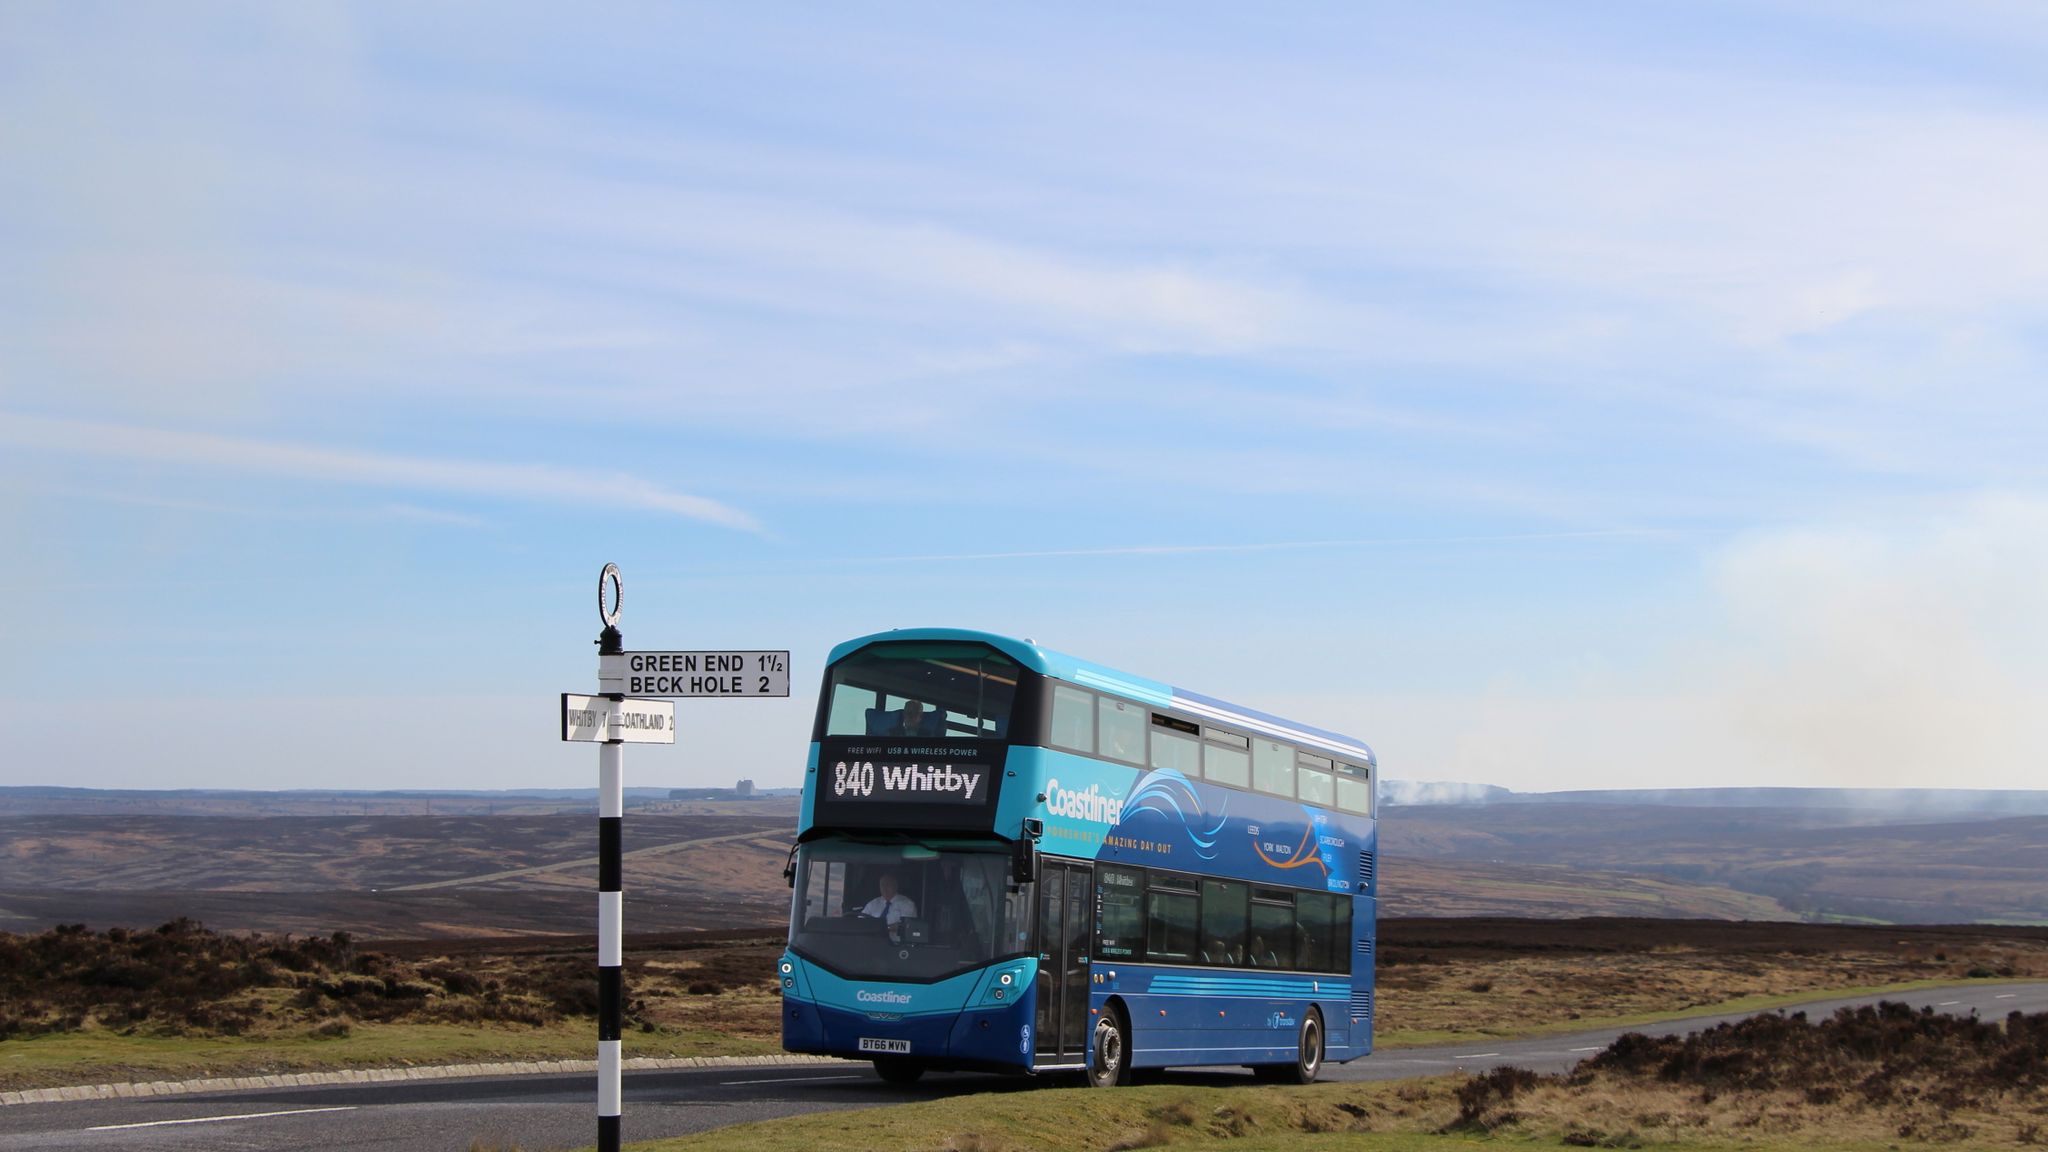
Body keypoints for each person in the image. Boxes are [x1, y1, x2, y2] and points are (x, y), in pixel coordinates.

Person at [858, 872, 918, 939]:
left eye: (888, 885)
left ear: (895, 886)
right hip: (872, 943)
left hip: (896, 945)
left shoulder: (907, 904)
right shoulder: (873, 904)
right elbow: (860, 921)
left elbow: (906, 925)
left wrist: (884, 928)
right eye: (882, 885)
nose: (885, 888)